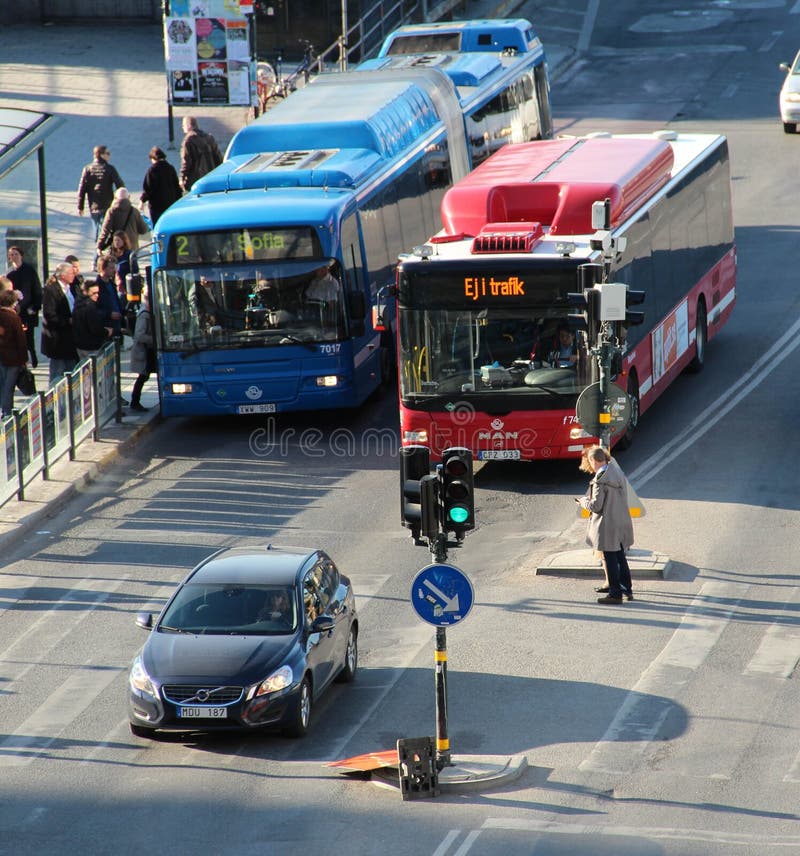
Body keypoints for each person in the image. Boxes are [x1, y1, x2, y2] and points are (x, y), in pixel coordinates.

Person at [578, 445, 634, 604]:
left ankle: (615, 594)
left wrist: (583, 502)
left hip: (607, 524)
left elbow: (596, 506)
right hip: (620, 520)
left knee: (610, 558)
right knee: (620, 557)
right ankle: (627, 590)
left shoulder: (600, 479)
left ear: (592, 460)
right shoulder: (616, 471)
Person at [41, 262, 79, 382]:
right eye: (71, 273)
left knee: (72, 372)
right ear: (62, 275)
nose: (74, 275)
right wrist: (67, 321)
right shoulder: (51, 290)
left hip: (71, 340)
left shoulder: (72, 288)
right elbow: (49, 315)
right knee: (57, 373)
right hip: (58, 340)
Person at [77, 145, 125, 239]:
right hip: (107, 205)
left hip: (94, 206)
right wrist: (121, 200)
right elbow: (120, 185)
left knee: (97, 230)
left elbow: (82, 189)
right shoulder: (110, 168)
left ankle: (98, 248)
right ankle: (99, 250)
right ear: (101, 155)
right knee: (105, 231)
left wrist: (80, 206)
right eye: (108, 153)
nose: (109, 156)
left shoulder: (87, 169)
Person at [6, 246, 42, 368]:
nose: (14, 257)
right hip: (15, 310)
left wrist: (35, 307)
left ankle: (32, 354)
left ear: (21, 255)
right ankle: (23, 360)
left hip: (28, 309)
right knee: (17, 337)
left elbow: (36, 290)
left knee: (29, 336)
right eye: (12, 255)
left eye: (16, 254)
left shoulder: (29, 270)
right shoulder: (9, 273)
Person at [0, 289, 28, 417]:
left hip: (2, 357)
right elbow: (21, 341)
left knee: (2, 385)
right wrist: (24, 360)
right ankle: (7, 413)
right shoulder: (13, 318)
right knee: (8, 387)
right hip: (12, 359)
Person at [97, 187, 149, 255]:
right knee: (132, 264)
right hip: (132, 248)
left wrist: (99, 246)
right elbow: (144, 230)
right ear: (129, 197)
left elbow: (105, 231)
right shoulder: (134, 211)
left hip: (118, 248)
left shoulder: (111, 211)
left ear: (115, 198)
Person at [129, 287, 156, 413]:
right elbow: (139, 335)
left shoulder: (148, 312)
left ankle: (135, 401)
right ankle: (135, 402)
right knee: (143, 376)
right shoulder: (144, 314)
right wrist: (154, 339)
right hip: (145, 351)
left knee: (144, 376)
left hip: (149, 350)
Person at [140, 146, 182, 226]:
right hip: (170, 204)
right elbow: (177, 187)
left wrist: (142, 201)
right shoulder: (170, 168)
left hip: (157, 206)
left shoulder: (152, 170)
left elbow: (148, 188)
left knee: (158, 226)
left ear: (153, 158)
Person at [180, 116, 223, 192]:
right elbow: (219, 158)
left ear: (189, 126)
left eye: (183, 125)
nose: (182, 127)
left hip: (196, 179)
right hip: (211, 176)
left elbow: (186, 162)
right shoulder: (209, 137)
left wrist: (182, 178)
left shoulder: (188, 141)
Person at [72, 279, 112, 360]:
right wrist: (107, 332)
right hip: (91, 347)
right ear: (85, 292)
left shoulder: (78, 302)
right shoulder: (90, 307)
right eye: (94, 293)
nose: (97, 295)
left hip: (80, 344)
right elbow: (95, 328)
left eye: (98, 292)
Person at [95, 256, 124, 338]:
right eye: (111, 268)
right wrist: (109, 314)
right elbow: (94, 310)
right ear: (103, 268)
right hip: (107, 326)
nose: (114, 270)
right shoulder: (96, 287)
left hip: (117, 324)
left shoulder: (111, 283)